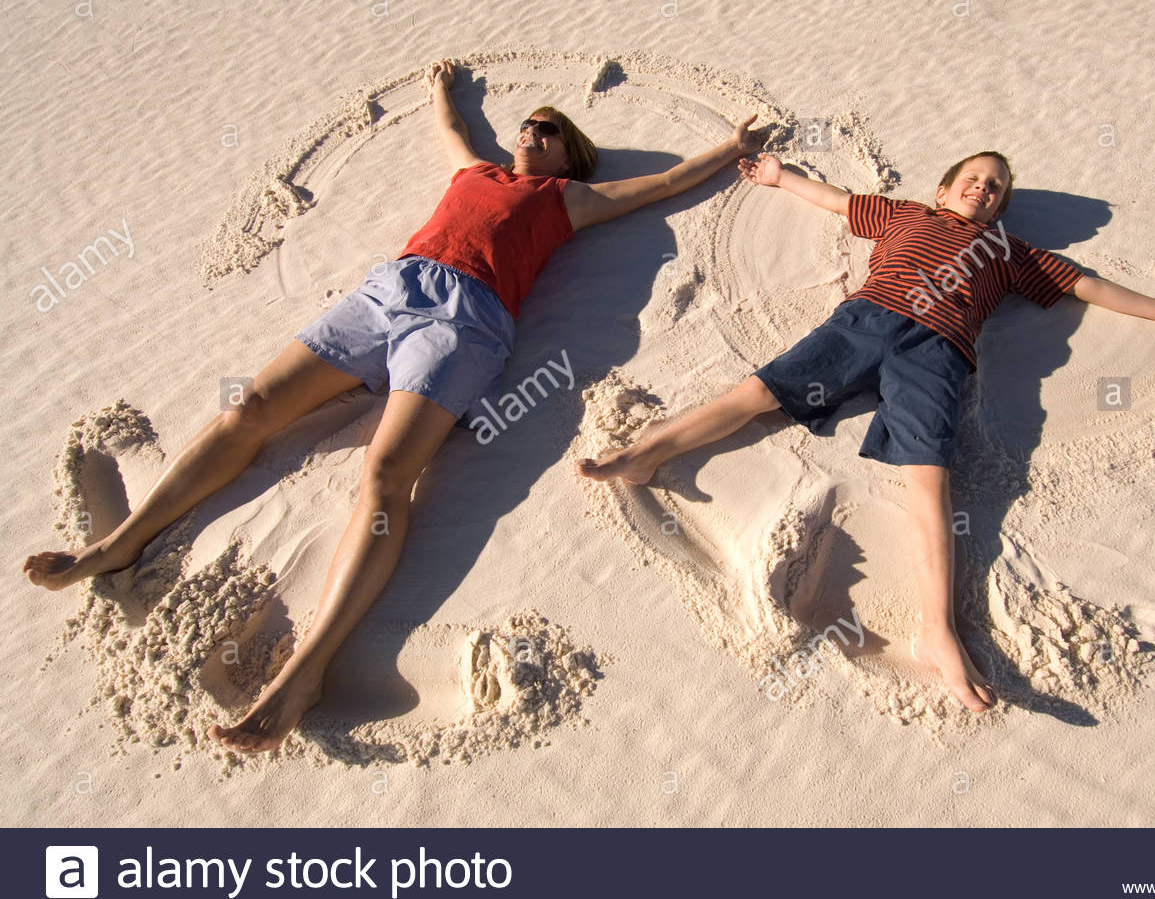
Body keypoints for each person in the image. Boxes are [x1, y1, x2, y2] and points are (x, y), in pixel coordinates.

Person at [23, 59, 765, 752]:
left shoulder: (565, 200)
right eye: (527, 126)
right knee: (248, 406)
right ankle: (118, 545)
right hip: (387, 292)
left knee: (386, 476)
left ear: (568, 154)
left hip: (464, 322)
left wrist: (732, 145)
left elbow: (665, 184)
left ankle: (306, 667)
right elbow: (452, 133)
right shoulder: (478, 170)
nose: (529, 134)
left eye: (546, 130)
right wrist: (443, 89)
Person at [576, 149, 1155, 712]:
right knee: (756, 392)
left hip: (939, 352)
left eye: (997, 187)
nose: (985, 187)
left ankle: (937, 631)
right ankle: (646, 454)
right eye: (974, 178)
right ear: (943, 191)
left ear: (1000, 209)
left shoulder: (1009, 252)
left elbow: (1085, 284)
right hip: (863, 321)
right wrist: (779, 177)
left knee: (929, 482)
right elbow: (837, 202)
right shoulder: (906, 215)